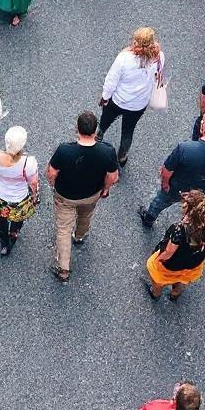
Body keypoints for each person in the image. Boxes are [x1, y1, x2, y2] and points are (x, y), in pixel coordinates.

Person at [46, 110, 120, 283]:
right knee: (86, 214)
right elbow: (113, 176)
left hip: (65, 195)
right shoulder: (107, 151)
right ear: (95, 131)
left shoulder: (65, 150)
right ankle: (80, 235)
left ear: (76, 129)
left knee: (63, 229)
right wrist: (106, 189)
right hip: (91, 194)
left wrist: (52, 183)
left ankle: (63, 269)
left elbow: (51, 172)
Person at [139, 113, 205, 227]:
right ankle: (187, 229)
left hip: (178, 188)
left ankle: (149, 218)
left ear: (202, 127)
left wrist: (165, 184)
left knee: (162, 200)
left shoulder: (185, 148)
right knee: (197, 214)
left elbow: (166, 170)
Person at [99, 27, 164, 165]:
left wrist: (105, 97)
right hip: (139, 104)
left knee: (105, 121)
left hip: (118, 100)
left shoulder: (124, 58)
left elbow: (111, 80)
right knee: (128, 130)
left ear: (136, 42)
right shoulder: (159, 57)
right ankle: (122, 155)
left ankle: (97, 140)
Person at [145, 190, 205, 300]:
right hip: (194, 262)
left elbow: (169, 252)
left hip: (172, 264)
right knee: (183, 278)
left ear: (189, 211)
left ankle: (156, 293)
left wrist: (158, 259)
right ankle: (175, 294)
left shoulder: (179, 229)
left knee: (157, 278)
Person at [0, 125, 40, 256]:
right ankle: (13, 234)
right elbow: (33, 182)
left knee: (0, 220)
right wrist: (35, 196)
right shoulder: (28, 163)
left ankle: (4, 245)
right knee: (17, 219)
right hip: (18, 199)